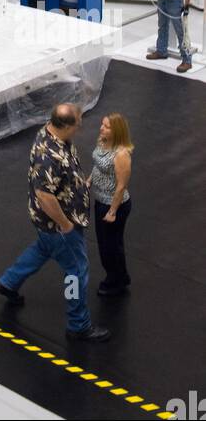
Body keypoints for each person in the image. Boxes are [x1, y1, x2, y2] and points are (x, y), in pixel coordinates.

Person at [0, 103, 109, 343]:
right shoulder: (48, 156)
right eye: (77, 124)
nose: (80, 128)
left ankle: (9, 282)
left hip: (48, 228)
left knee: (42, 249)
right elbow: (44, 196)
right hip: (59, 226)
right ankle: (78, 324)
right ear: (65, 126)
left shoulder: (50, 132)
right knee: (76, 271)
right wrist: (65, 225)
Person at [90, 113, 133, 298]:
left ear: (117, 131)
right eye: (102, 124)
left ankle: (115, 281)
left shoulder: (121, 154)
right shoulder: (102, 141)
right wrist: (89, 180)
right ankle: (121, 276)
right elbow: (98, 165)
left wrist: (113, 211)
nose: (102, 128)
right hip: (100, 201)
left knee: (110, 247)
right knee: (107, 244)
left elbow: (121, 186)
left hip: (113, 206)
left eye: (107, 127)